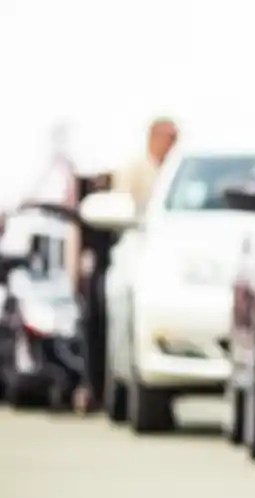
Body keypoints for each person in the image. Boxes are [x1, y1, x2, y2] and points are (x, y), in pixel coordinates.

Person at [70, 116, 178, 414]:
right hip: (128, 252)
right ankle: (98, 390)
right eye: (169, 137)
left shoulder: (176, 169)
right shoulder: (133, 170)